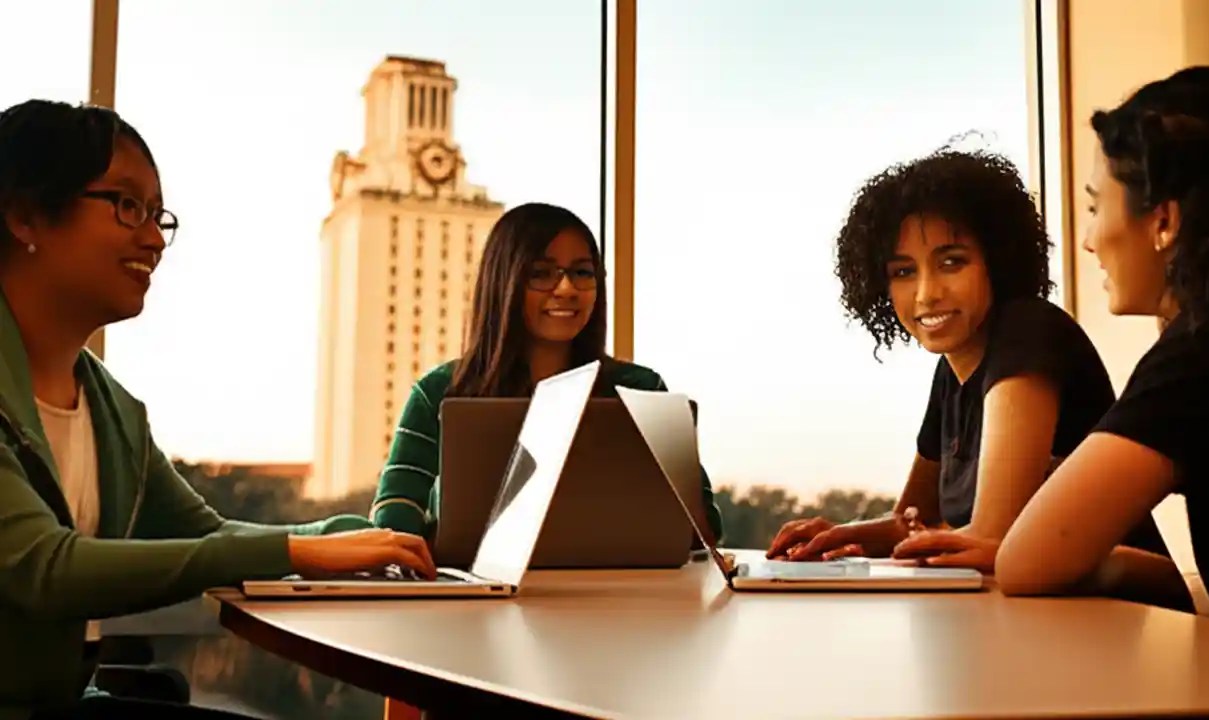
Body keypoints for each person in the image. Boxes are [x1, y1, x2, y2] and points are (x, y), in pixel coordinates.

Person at [0, 99, 433, 720]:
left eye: (158, 216)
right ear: (24, 214)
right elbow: (44, 566)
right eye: (126, 205)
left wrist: (338, 537)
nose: (152, 238)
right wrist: (297, 553)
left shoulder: (112, 410)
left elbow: (206, 534)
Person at [967, 65, 1209, 626]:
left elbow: (1026, 562)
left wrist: (1089, 560)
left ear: (1163, 221)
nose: (1087, 240)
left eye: (1092, 207)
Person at [766, 148, 1169, 566]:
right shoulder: (953, 368)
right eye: (903, 272)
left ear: (996, 260)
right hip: (1038, 610)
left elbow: (990, 535)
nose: (926, 293)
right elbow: (917, 521)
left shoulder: (1027, 331)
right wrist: (838, 535)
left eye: (951, 263)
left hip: (1125, 611)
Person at [371, 202, 723, 545]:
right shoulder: (440, 391)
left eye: (582, 272)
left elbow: (702, 528)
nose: (567, 289)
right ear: (504, 282)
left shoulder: (642, 389)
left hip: (623, 593)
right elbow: (393, 522)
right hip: (477, 598)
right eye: (541, 273)